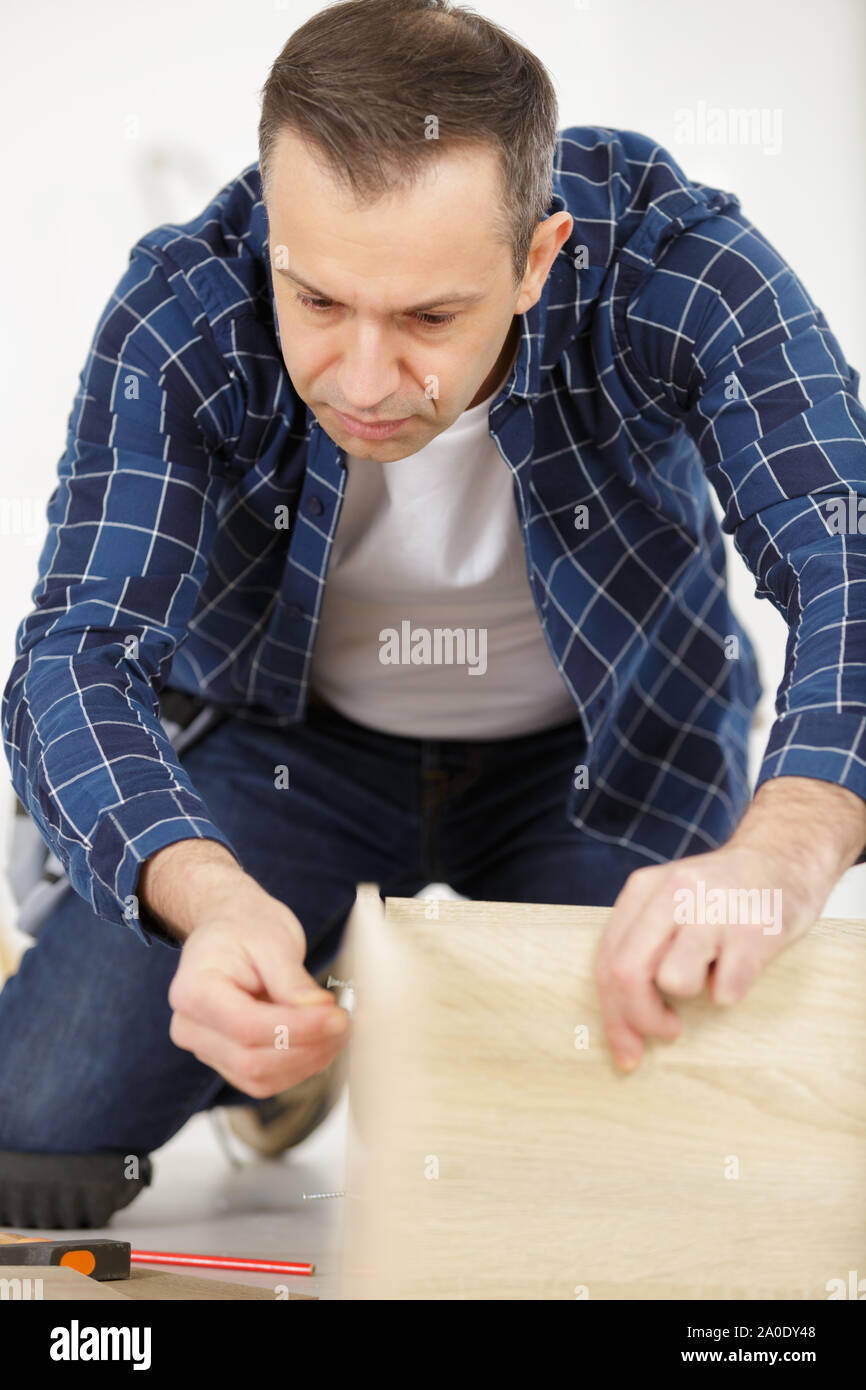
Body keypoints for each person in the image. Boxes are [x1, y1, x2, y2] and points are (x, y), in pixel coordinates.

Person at [1, 0, 864, 1228]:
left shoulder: (686, 265)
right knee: (35, 1130)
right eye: (318, 303)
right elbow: (75, 650)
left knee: (642, 1167)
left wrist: (777, 858)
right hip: (286, 751)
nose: (362, 382)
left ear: (535, 255)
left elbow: (848, 565)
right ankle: (287, 993)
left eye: (427, 318)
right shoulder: (183, 304)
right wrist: (205, 894)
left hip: (603, 754)